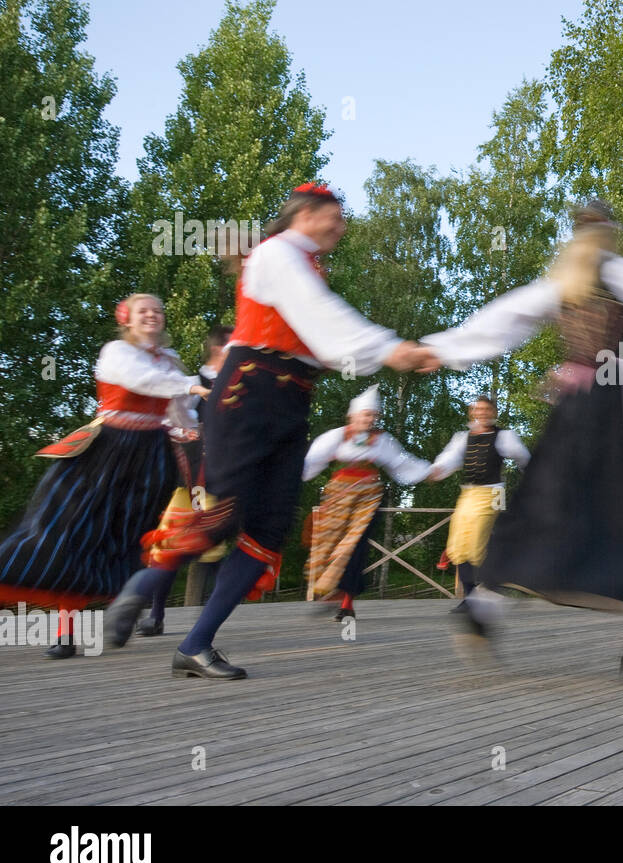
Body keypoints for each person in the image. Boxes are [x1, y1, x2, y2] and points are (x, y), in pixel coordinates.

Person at [103, 183, 438, 679]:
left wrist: (385, 356)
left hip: (290, 398)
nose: (342, 228)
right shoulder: (278, 254)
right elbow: (325, 320)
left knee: (269, 529)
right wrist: (390, 350)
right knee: (221, 516)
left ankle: (195, 645)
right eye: (336, 217)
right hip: (248, 391)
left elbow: (323, 344)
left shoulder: (306, 266)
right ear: (306, 213)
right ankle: (139, 588)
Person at [419, 199, 623, 682]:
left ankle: (482, 608)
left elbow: (499, 322)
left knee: (542, 512)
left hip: (572, 409)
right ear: (611, 233)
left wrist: (438, 349)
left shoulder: (559, 283)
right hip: (619, 411)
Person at [0, 294, 207, 657]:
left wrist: (198, 423)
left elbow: (178, 410)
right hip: (107, 450)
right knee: (73, 532)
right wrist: (192, 384)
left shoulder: (170, 361)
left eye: (157, 310)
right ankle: (65, 633)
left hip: (150, 455)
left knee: (129, 537)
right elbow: (144, 381)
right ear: (126, 318)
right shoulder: (117, 352)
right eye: (144, 311)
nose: (152, 316)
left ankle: (124, 607)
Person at [302, 385, 437, 620]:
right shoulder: (336, 436)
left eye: (374, 415)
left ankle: (347, 602)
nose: (371, 419)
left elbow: (401, 462)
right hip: (338, 497)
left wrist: (427, 471)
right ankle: (332, 590)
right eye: (366, 414)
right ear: (352, 415)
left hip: (368, 499)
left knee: (355, 546)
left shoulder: (382, 440)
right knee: (329, 542)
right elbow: (311, 461)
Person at [136, 324, 233, 636]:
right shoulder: (195, 383)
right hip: (194, 479)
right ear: (220, 349)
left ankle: (208, 620)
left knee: (214, 544)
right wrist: (186, 432)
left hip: (227, 474)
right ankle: (156, 613)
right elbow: (171, 417)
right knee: (175, 541)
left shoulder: (240, 386)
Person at [428, 396, 530, 614]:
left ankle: (495, 584)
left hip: (493, 492)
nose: (482, 413)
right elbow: (449, 459)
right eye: (478, 409)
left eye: (486, 409)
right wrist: (437, 470)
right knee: (457, 545)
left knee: (475, 542)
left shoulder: (503, 436)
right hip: (468, 494)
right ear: (472, 413)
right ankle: (471, 595)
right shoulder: (462, 438)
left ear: (493, 413)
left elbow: (523, 457)